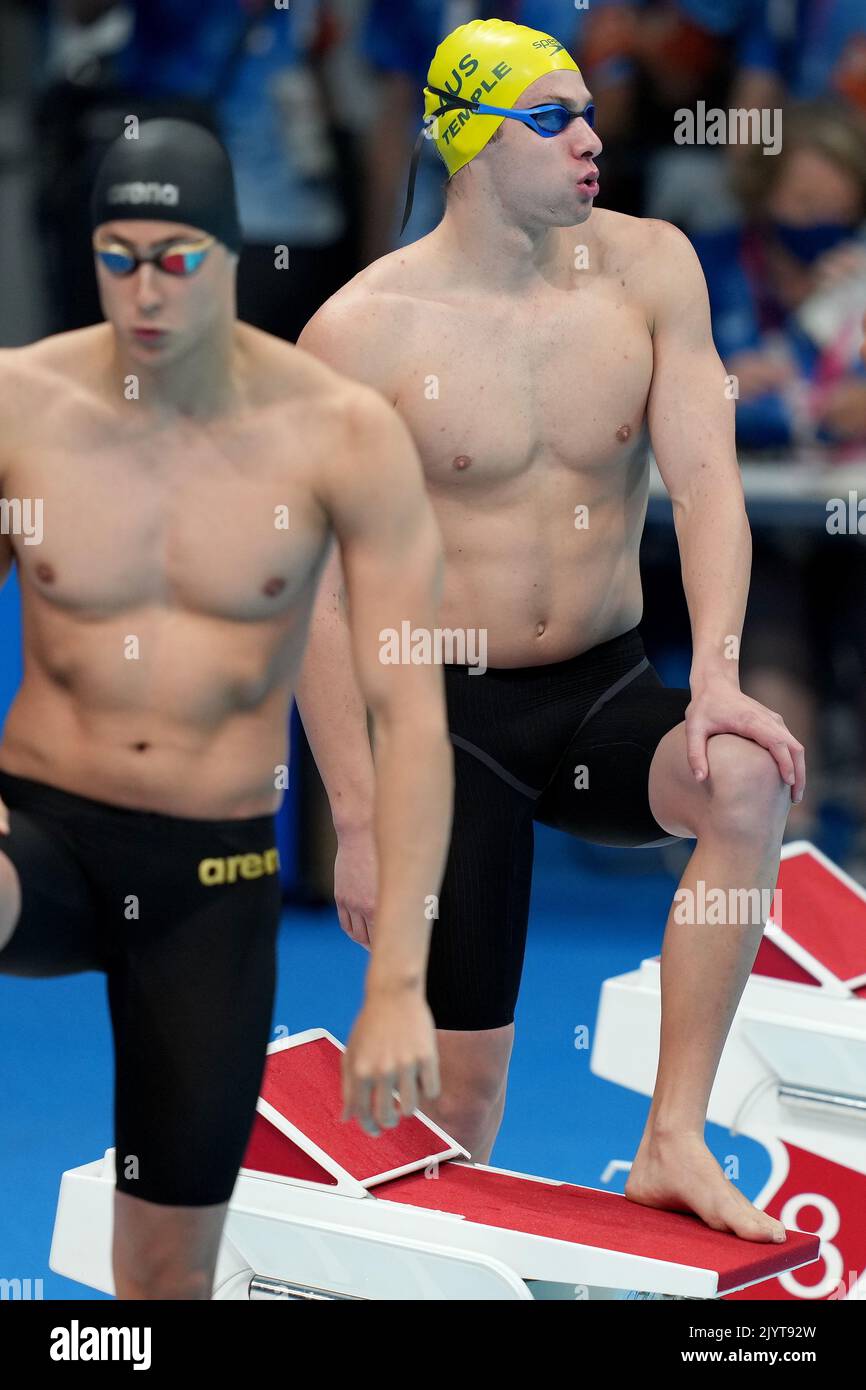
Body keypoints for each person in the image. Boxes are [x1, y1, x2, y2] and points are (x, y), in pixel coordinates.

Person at [297, 17, 805, 1244]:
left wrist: (719, 678)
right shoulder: (361, 333)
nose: (590, 138)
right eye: (552, 118)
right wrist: (359, 819)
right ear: (468, 144)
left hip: (600, 691)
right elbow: (309, 594)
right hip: (445, 728)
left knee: (739, 778)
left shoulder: (649, 270)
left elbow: (706, 484)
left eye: (591, 107)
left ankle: (670, 1137)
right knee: (464, 1099)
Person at [0, 118, 452, 1299]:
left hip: (209, 881)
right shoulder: (21, 404)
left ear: (232, 254)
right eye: (119, 254)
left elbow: (407, 712)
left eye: (177, 257)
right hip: (40, 837)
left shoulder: (337, 433)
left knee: (163, 1278)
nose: (145, 289)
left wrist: (398, 978)